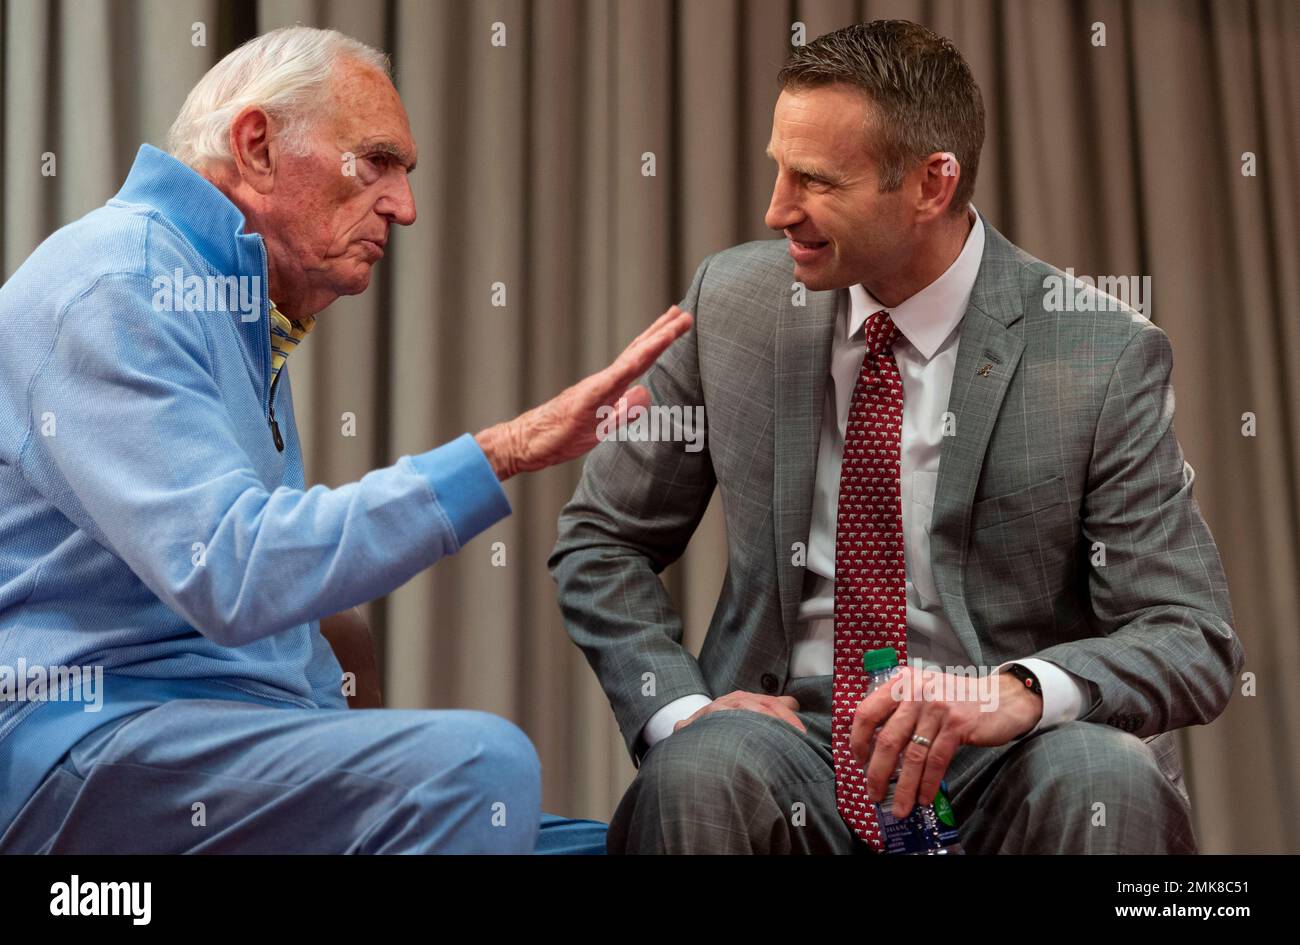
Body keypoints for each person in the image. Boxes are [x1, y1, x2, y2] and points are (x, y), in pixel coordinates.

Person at [549, 19, 1243, 854]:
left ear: (931, 184)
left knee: (1107, 778)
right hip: (788, 741)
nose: (777, 210)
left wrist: (1019, 690)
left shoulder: (1100, 353)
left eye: (815, 180)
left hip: (1009, 756)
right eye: (778, 167)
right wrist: (683, 709)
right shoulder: (733, 306)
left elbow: (1191, 636)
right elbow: (601, 541)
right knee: (701, 767)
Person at [0, 26, 690, 853]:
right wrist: (505, 449)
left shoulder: (239, 304)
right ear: (256, 146)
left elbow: (280, 624)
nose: (405, 205)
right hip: (84, 741)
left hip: (228, 741)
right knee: (476, 765)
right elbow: (232, 570)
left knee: (650, 839)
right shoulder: (120, 285)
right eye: (377, 161)